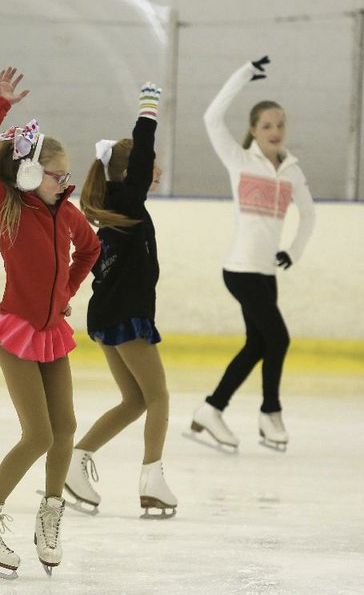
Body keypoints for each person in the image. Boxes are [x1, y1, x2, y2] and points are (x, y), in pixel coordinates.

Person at [0, 67, 100, 579]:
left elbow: (90, 250)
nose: (66, 181)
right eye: (57, 174)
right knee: (37, 434)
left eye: (67, 174)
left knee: (66, 428)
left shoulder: (68, 213)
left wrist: (66, 292)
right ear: (32, 173)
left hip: (52, 330)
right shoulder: (6, 206)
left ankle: (48, 517)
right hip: (15, 331)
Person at [63, 82, 177, 519]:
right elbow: (144, 152)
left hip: (108, 316)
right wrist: (148, 110)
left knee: (135, 400)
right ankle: (152, 479)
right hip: (127, 317)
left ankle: (76, 461)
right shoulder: (127, 203)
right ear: (135, 172)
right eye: (152, 164)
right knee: (159, 397)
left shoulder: (114, 207)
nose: (157, 167)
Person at [190, 56, 315, 450]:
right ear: (253, 131)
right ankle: (269, 412)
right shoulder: (240, 161)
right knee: (277, 339)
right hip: (240, 269)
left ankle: (211, 409)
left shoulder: (292, 170)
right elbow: (212, 118)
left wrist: (292, 251)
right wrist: (243, 74)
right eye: (266, 125)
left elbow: (309, 215)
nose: (275, 131)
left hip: (266, 272)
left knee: (259, 343)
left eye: (280, 124)